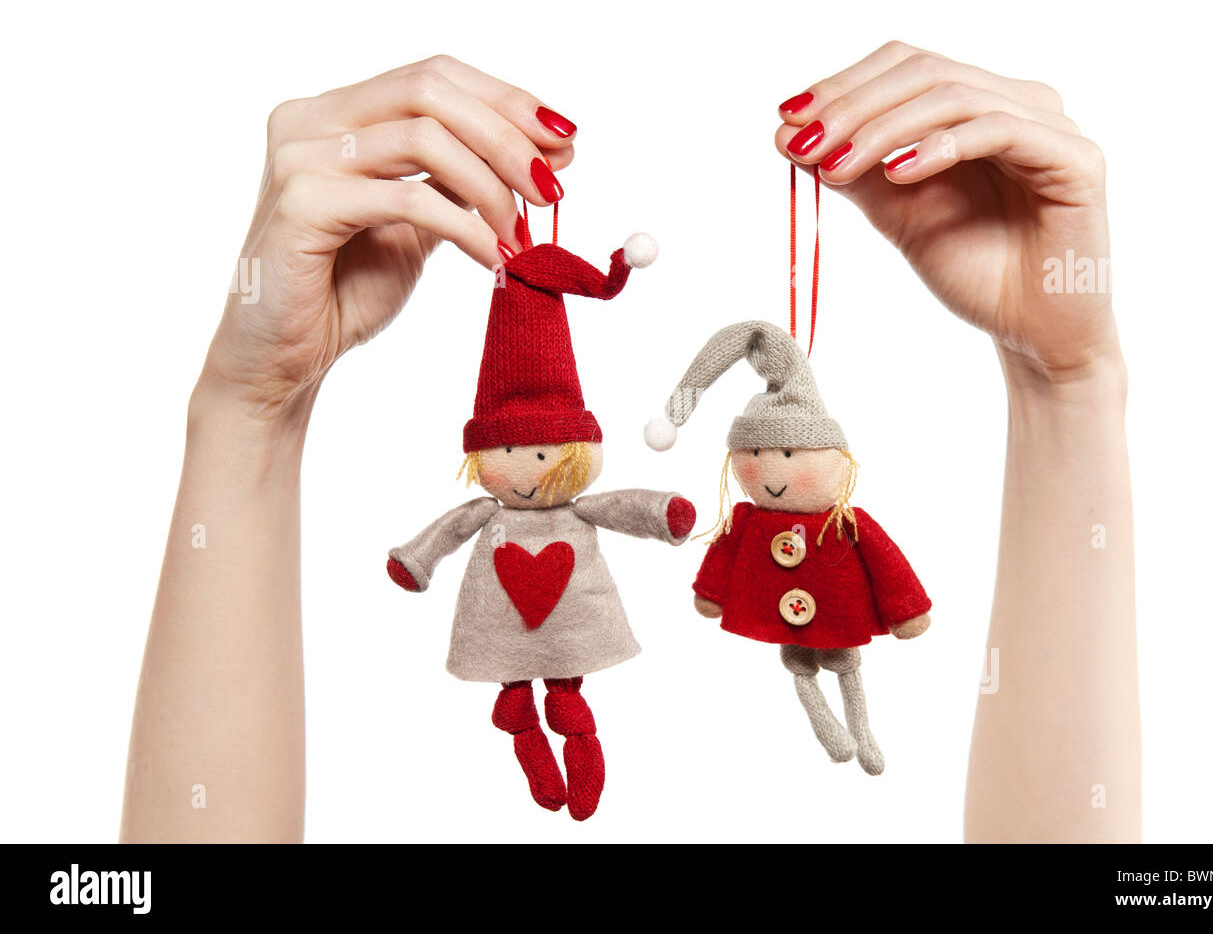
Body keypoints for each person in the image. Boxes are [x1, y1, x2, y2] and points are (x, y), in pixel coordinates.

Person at [121, 42, 1136, 843]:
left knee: (834, 670)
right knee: (724, 670)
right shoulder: (504, 495)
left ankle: (637, 706)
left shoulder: (828, 511)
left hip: (796, 614)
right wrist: (249, 410)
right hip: (531, 618)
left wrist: (1068, 387)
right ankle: (542, 706)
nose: (774, 475)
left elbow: (645, 515)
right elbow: (512, 525)